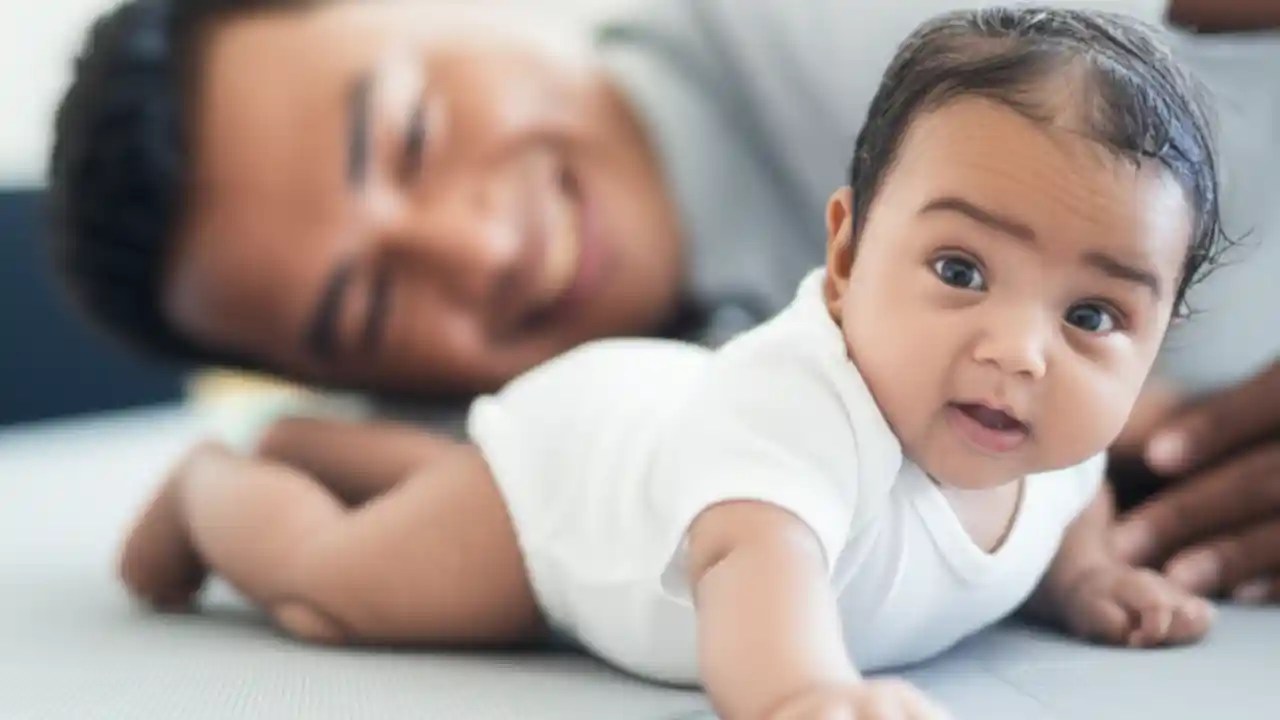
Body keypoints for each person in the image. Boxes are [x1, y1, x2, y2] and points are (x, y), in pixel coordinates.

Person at [119, 7, 1224, 718]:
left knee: (420, 485)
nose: (1018, 350)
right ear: (839, 253)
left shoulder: (1050, 424)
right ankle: (220, 485)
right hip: (558, 493)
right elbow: (760, 574)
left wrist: (1083, 578)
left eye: (1090, 314)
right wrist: (801, 695)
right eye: (959, 271)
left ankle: (330, 443)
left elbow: (1066, 495)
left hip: (646, 418)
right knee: (343, 585)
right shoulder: (796, 414)